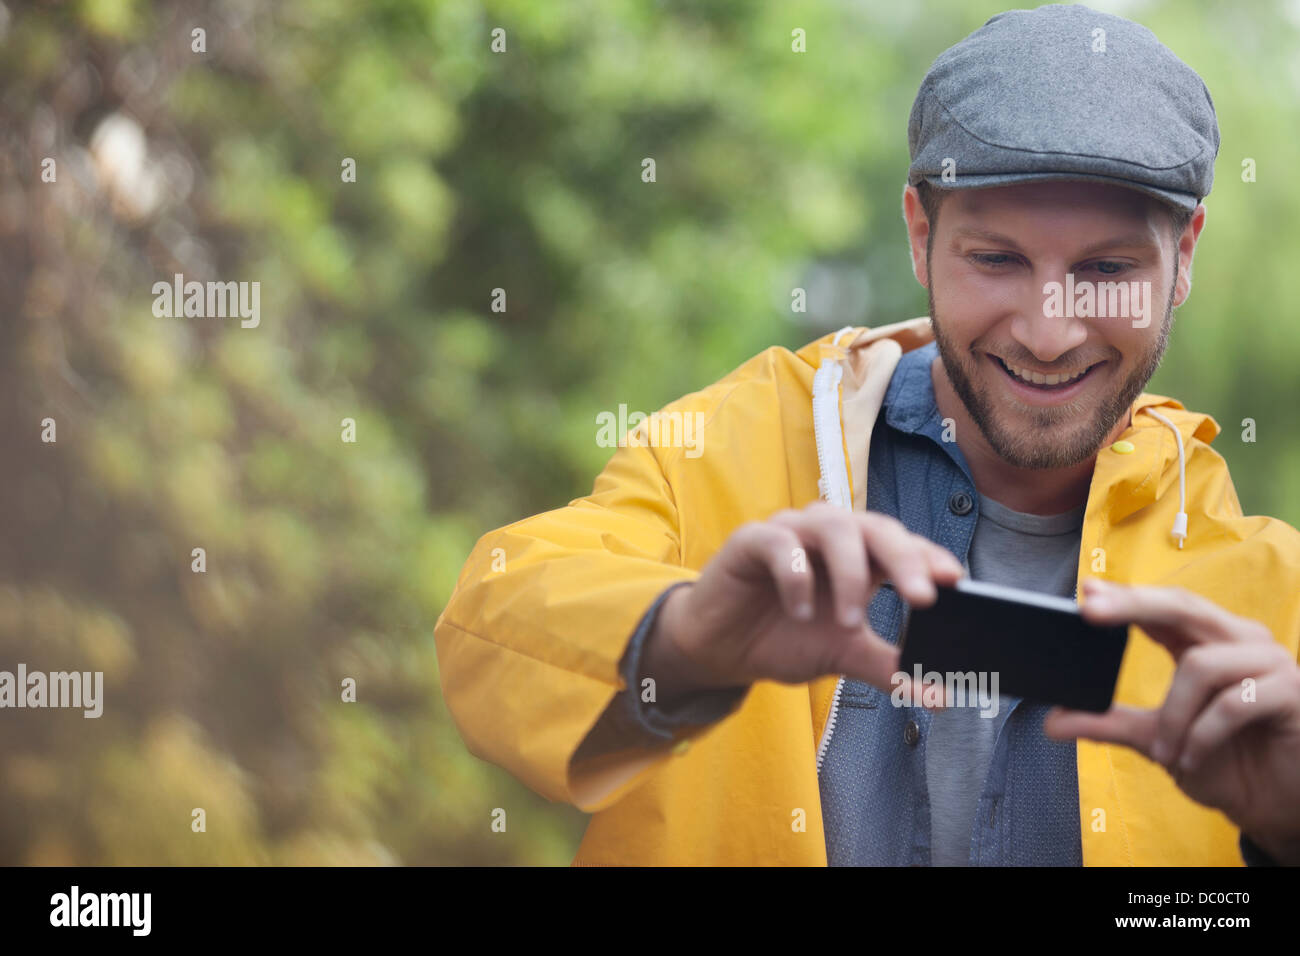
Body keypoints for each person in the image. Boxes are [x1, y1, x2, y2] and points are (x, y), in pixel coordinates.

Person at [433, 4, 1300, 865]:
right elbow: (490, 621)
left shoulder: (1273, 598)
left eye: (1106, 270)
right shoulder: (727, 449)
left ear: (1184, 256)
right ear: (921, 236)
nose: (1048, 332)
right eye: (996, 260)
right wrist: (686, 638)